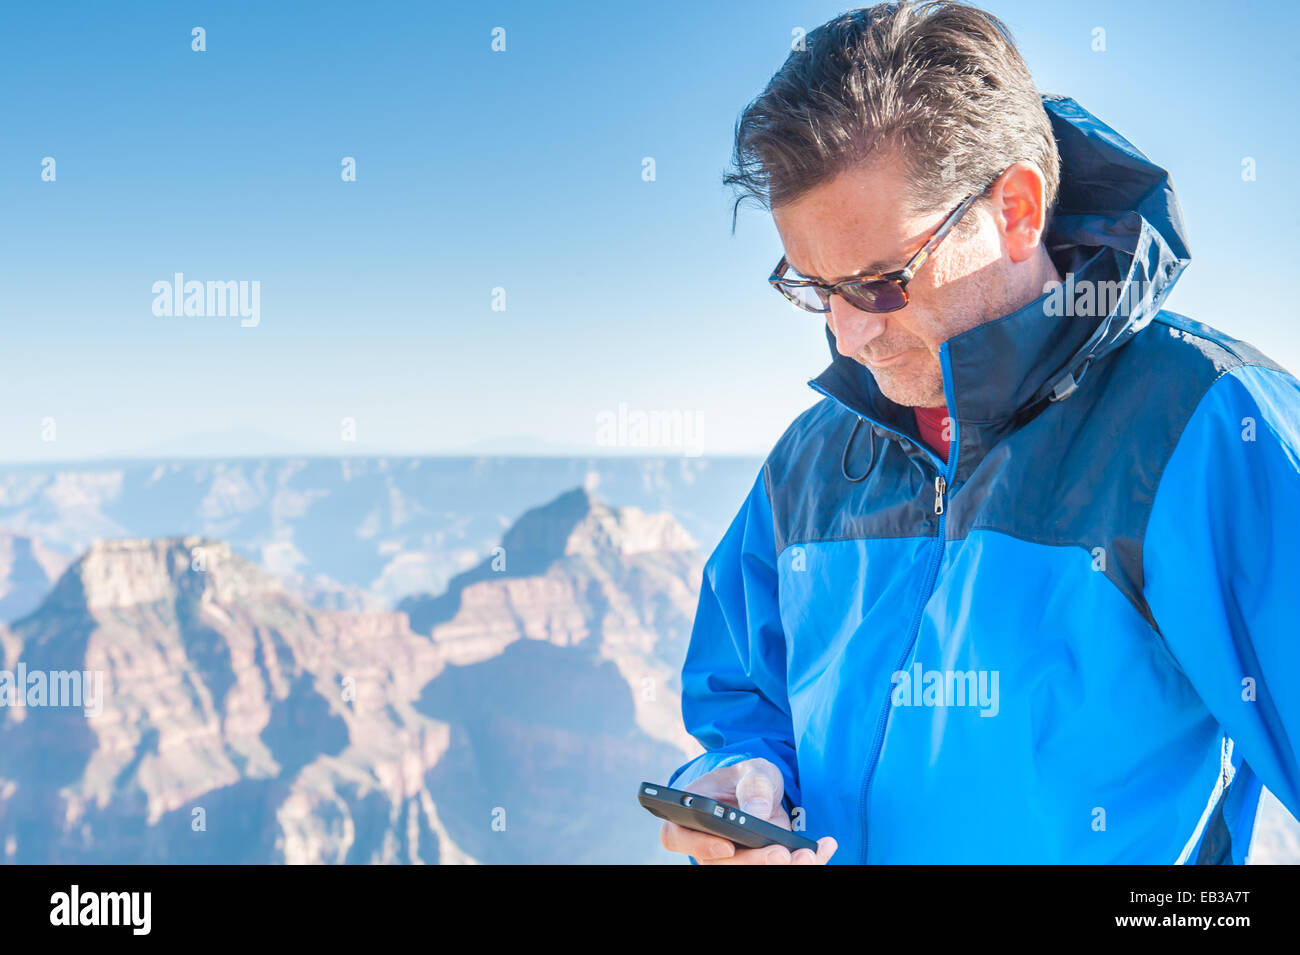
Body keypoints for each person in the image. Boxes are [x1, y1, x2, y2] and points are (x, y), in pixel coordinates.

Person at [661, 0, 1300, 865]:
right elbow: (744, 698)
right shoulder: (809, 461)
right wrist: (742, 777)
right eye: (812, 286)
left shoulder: (1210, 427)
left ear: (1017, 209)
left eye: (879, 282)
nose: (845, 336)